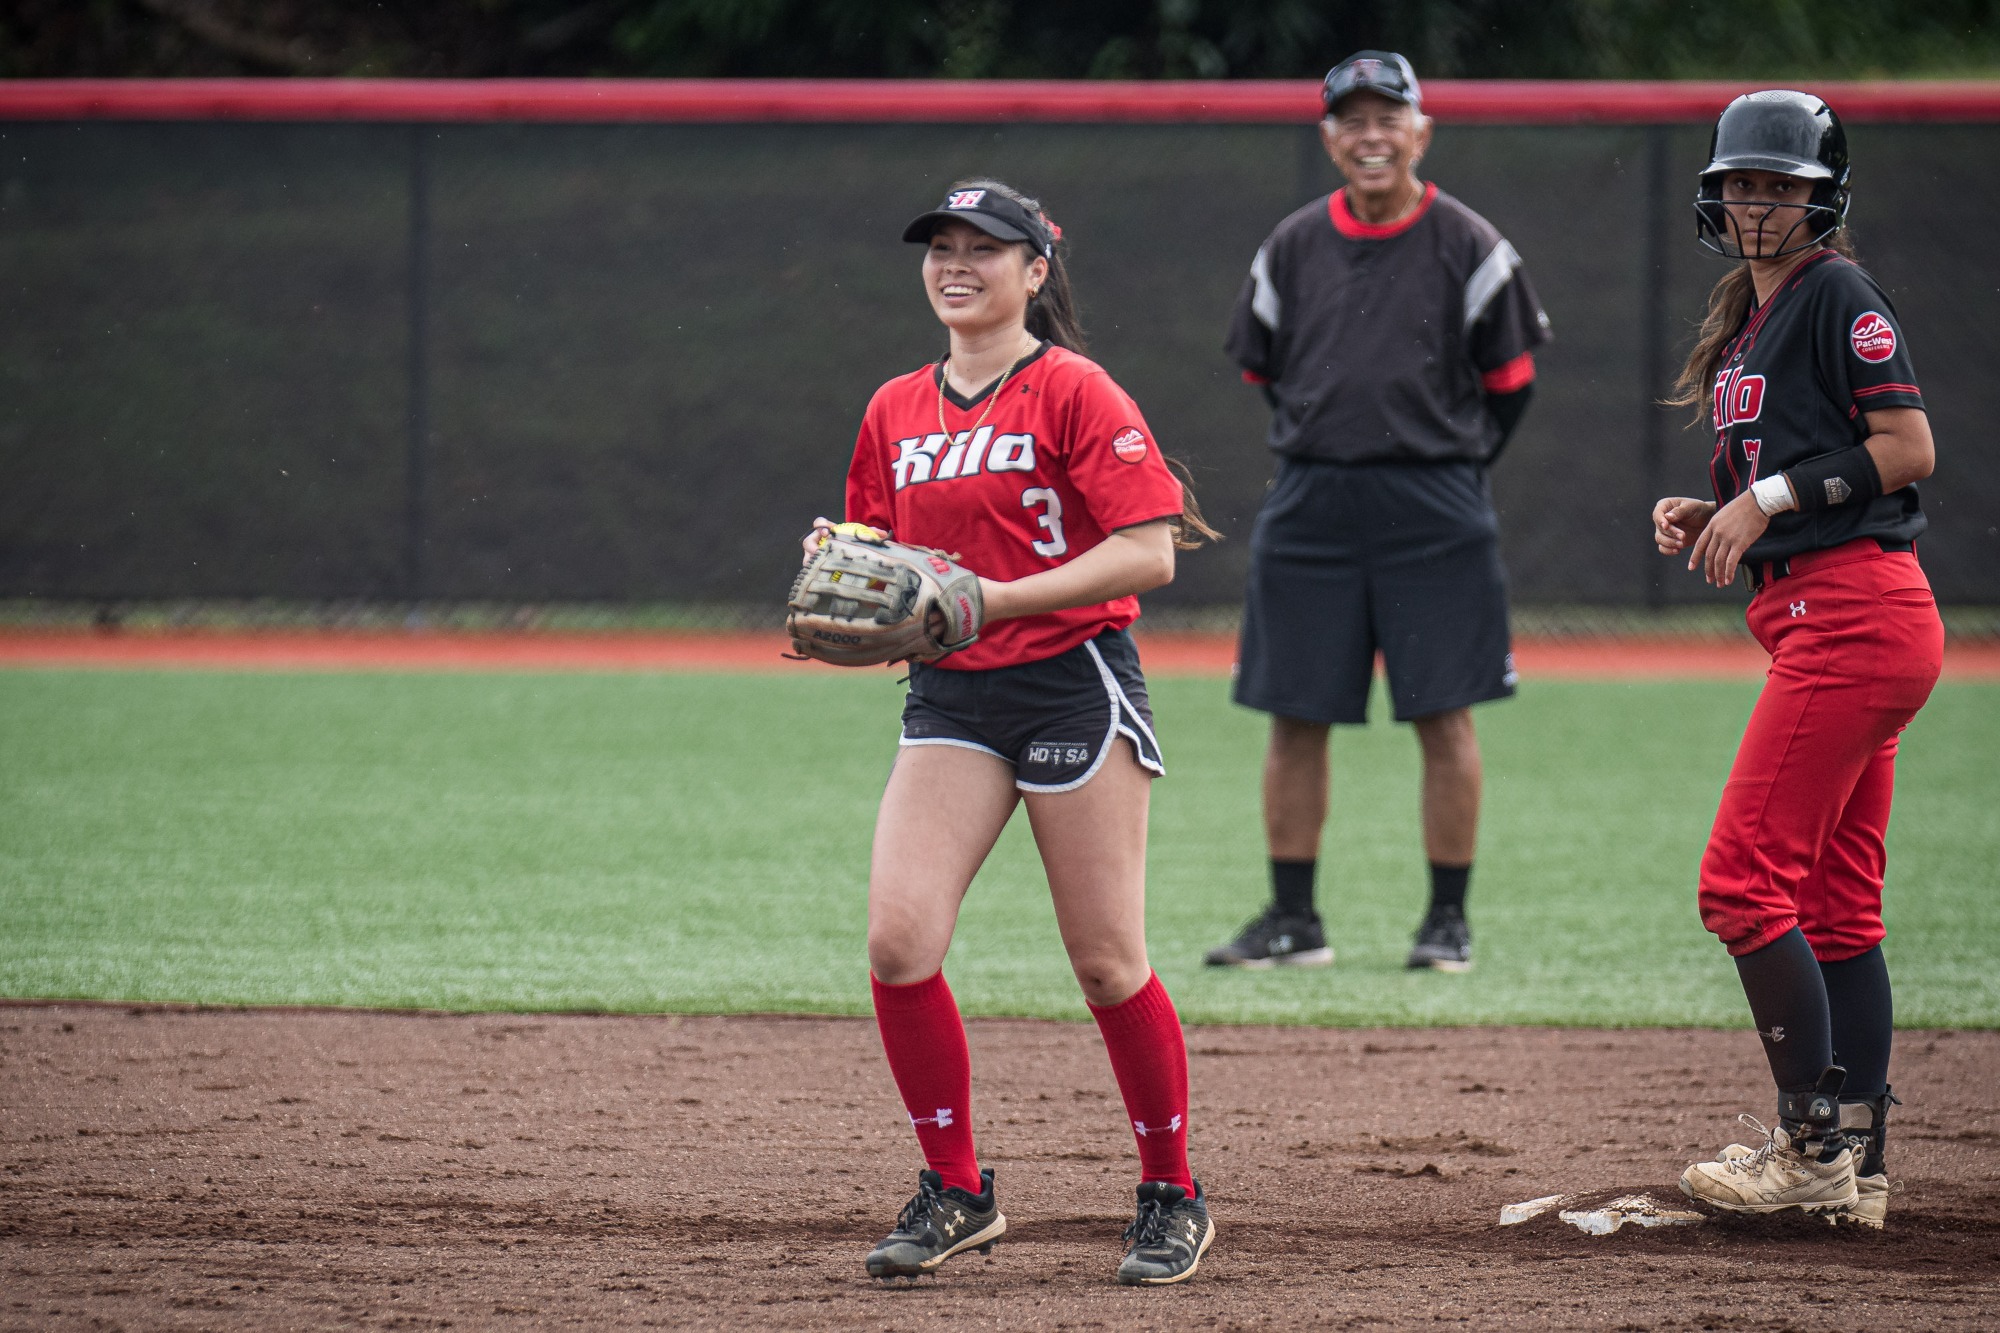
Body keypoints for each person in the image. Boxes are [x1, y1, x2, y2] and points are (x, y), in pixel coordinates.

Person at [807, 179, 1222, 1285]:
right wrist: (838, 559)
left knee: (1103, 960)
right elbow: (873, 537)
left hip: (1071, 684)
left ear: (1034, 272)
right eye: (940, 246)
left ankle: (1170, 1195)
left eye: (982, 248)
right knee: (899, 942)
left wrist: (998, 596)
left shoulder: (1075, 390)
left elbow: (1149, 550)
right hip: (952, 696)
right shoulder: (894, 404)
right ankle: (954, 1190)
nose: (956, 263)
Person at [1653, 91, 1940, 1224]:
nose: (1756, 203)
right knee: (1832, 911)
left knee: (1737, 883)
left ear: (1819, 198)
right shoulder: (1750, 320)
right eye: (1741, 183)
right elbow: (1799, 472)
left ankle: (1805, 1145)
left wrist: (1764, 497)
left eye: (1777, 185)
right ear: (1715, 193)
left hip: (1852, 616)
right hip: (1844, 614)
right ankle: (1855, 1162)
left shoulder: (1834, 292)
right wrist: (1712, 506)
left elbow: (1906, 447)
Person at [1204, 51, 1549, 974]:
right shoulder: (1291, 245)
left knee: (1444, 714)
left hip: (1435, 501)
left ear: (1420, 131)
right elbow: (1262, 368)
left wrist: (1446, 459)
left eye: (1387, 118)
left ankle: (1446, 922)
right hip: (1312, 496)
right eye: (1351, 121)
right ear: (1327, 138)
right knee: (1293, 713)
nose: (1370, 136)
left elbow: (1510, 384)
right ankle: (1292, 920)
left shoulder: (1472, 244)